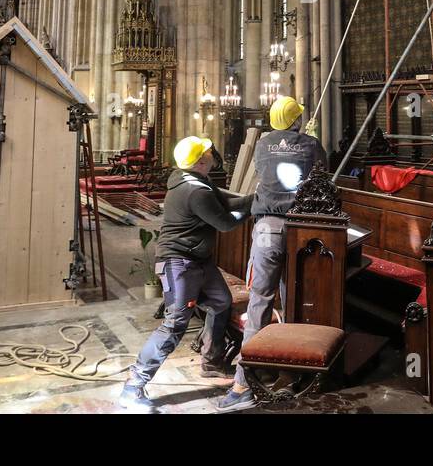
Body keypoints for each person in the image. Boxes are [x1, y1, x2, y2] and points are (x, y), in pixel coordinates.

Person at [118, 136, 253, 413]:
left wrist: (259, 198)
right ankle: (133, 385)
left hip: (199, 261)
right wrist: (255, 209)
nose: (213, 153)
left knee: (219, 302)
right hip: (178, 264)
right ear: (202, 160)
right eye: (209, 151)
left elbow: (229, 201)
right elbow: (227, 223)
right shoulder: (195, 191)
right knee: (174, 325)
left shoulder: (190, 179)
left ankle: (211, 362)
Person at [216, 97, 327, 412]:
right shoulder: (310, 143)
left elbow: (270, 171)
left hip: (266, 230)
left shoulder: (263, 143)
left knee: (259, 303)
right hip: (300, 232)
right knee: (293, 302)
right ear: (296, 121)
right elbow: (322, 176)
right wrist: (310, 141)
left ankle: (241, 385)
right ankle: (289, 375)